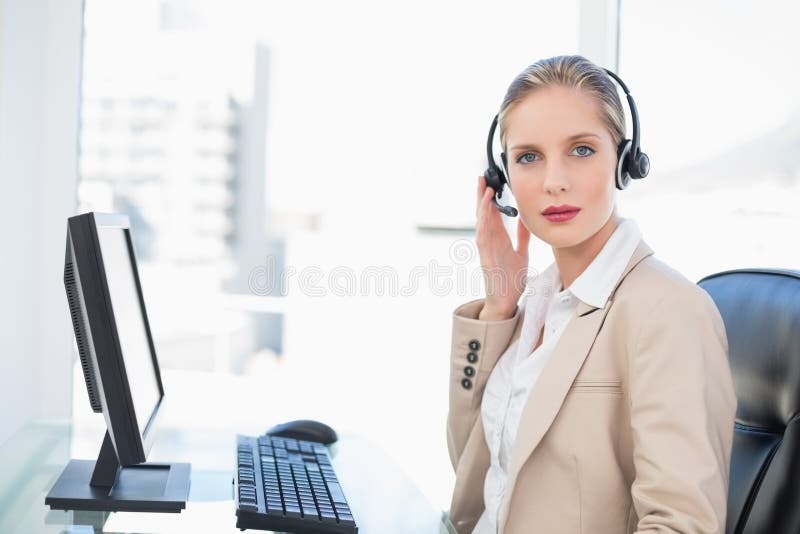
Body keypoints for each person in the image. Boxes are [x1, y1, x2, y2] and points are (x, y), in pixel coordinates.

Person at [445, 55, 737, 534]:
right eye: (528, 157)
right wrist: (499, 307)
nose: (553, 180)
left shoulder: (667, 311)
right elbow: (476, 476)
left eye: (581, 150)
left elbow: (682, 525)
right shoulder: (537, 307)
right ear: (502, 182)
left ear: (624, 162)